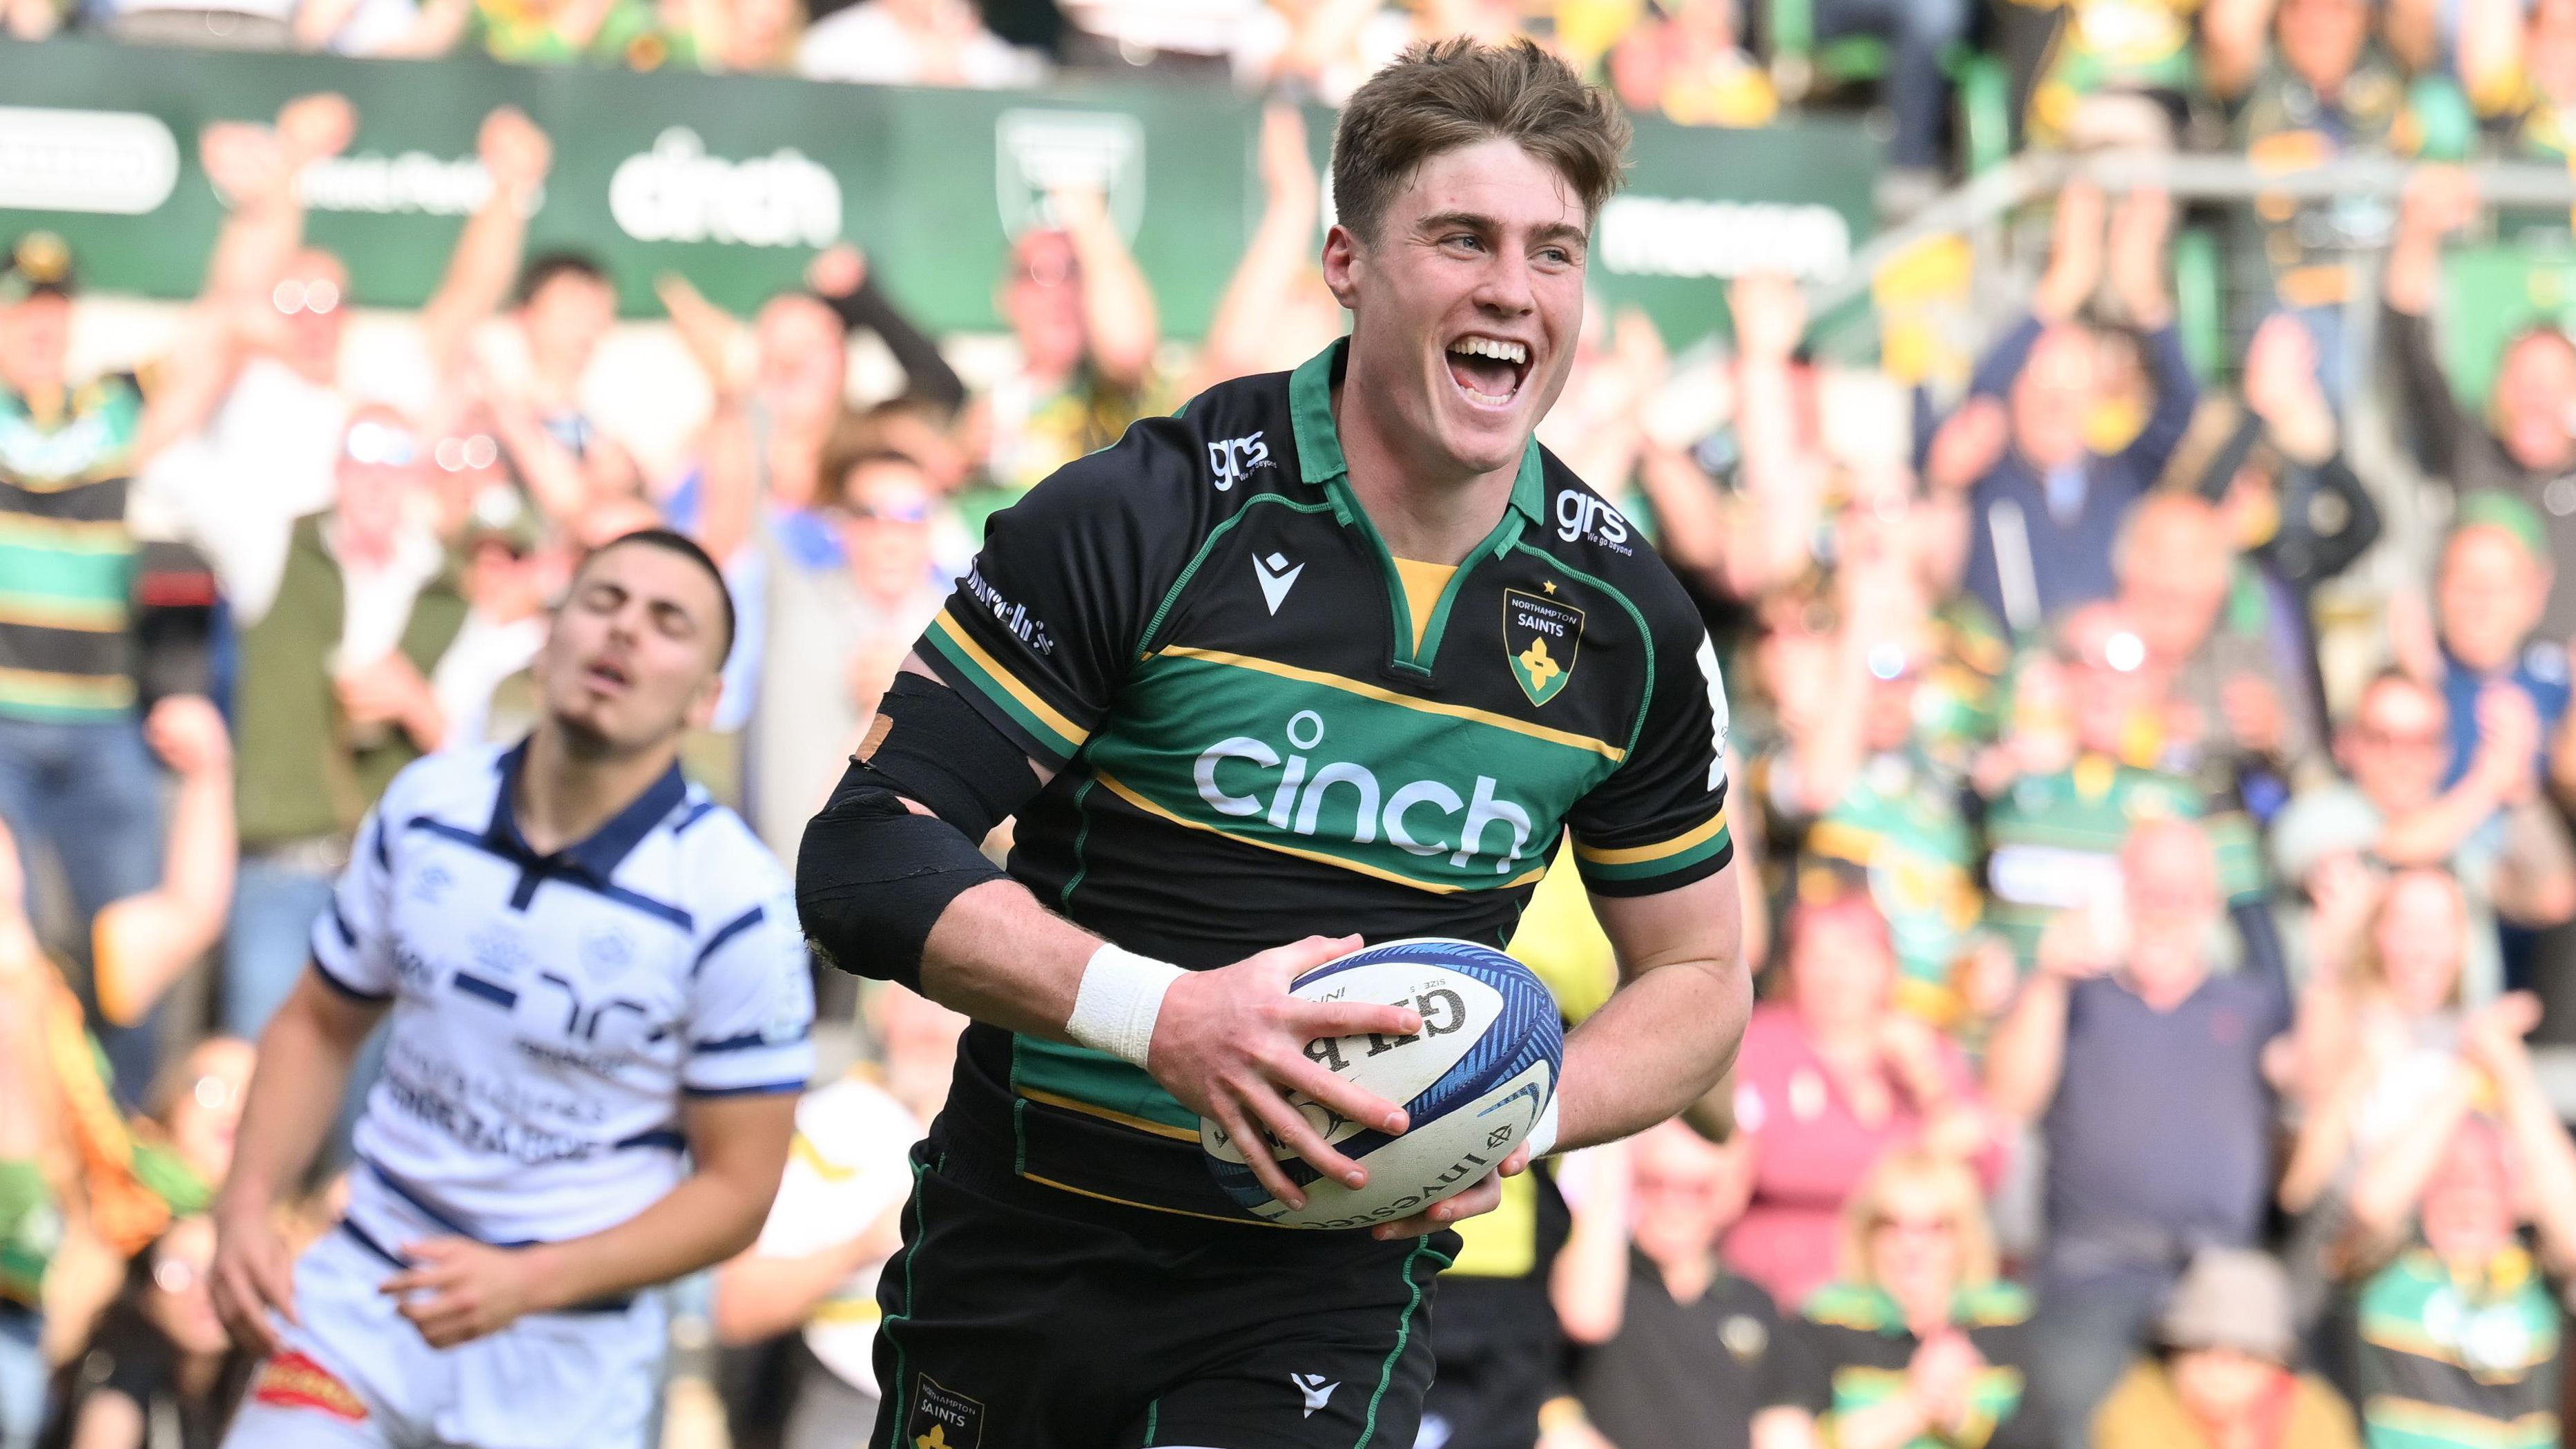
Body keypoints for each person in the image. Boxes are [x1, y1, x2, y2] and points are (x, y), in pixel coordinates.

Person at [793, 39, 1749, 1449]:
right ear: (1345, 262)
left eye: (1553, 251)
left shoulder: (1626, 621)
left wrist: (1513, 1110)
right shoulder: (1145, 513)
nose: (1512, 287)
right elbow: (865, 855)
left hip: (1322, 1297)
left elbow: (1700, 974)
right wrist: (1162, 1017)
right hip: (1026, 1246)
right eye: (1462, 238)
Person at [206, 530, 815, 1449]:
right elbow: (317, 1025)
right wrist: (247, 1200)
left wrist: (530, 1279)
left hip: (568, 1351)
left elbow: (739, 1189)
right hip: (365, 1298)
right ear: (546, 635)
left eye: (668, 622)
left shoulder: (738, 903)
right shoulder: (425, 805)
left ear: (708, 697)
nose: (624, 631)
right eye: (603, 600)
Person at [1985, 818, 2295, 1446]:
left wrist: (2339, 956)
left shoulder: (2251, 1004)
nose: (2164, 911)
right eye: (2150, 890)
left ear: (2210, 903)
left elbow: (2318, 1075)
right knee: (2066, 1421)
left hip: (2215, 1272)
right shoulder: (2076, 996)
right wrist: (2047, 981)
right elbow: (2007, 1099)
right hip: (2090, 1267)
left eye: (2182, 894)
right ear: (2119, 892)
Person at [222, 407, 466, 1044]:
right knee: (262, 1052)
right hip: (282, 863)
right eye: (363, 458)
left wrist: (415, 705)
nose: (378, 478)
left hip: (391, 880)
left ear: (416, 477)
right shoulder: (280, 548)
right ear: (336, 470)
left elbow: (475, 753)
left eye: (396, 459)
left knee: (374, 1075)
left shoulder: (445, 583)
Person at [715, 983, 963, 1449]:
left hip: (980, 1403)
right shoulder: (826, 1125)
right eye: (914, 1003)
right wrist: (863, 1246)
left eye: (951, 1007)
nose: (930, 1027)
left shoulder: (1018, 1134)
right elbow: (737, 1306)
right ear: (881, 1013)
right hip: (849, 1398)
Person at [1725, 890, 2002, 1309]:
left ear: (1888, 966)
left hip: (1902, 1290)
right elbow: (1769, 1161)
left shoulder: (1924, 1048)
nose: (1838, 974)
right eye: (1819, 955)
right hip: (1780, 1288)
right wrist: (1916, 1154)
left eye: (1855, 954)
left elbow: (1987, 1164)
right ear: (1792, 965)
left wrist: (1928, 1082)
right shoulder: (1758, 1045)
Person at [1944, 184, 2197, 637]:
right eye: (2042, 378)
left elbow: (2180, 407)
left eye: (2075, 381)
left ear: (2099, 395)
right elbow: (1981, 396)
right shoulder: (1991, 474)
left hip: (2100, 671)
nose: (2057, 400)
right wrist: (2064, 284)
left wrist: (2144, 297)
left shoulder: (2122, 478)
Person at [2333, 1009, 2576, 1449]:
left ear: (2516, 1188)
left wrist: (2512, 1073)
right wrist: (2465, 1075)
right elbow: (2371, 1204)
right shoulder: (2389, 1263)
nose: (2467, 1188)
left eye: (2487, 1173)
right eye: (2449, 1170)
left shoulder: (2540, 1268)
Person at [2270, 671, 2575, 1001]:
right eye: (2382, 738)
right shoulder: (2314, 817)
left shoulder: (2463, 829)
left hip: (2464, 1034)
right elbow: (2403, 847)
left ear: (2446, 752)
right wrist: (2490, 778)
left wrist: (2520, 788)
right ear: (2347, 744)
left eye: (2422, 741)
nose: (2402, 758)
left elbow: (2552, 897)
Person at [2383, 167, 2576, 642]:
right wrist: (2419, 230)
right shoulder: (2469, 451)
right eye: (2523, 379)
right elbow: (2407, 350)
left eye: (2550, 381)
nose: (2535, 394)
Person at [1751, 1147, 2051, 1449]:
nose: (1912, 1247)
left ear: (1965, 1238)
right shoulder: (1825, 1322)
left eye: (1936, 1227)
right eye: (1892, 1226)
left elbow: (2043, 1438)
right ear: (1867, 1234)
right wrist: (1917, 1403)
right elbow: (1785, 1439)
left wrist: (1962, 1417)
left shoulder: (2009, 1318)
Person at [748, 448, 949, 865]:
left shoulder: (962, 632)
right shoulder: (795, 610)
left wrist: (908, 692)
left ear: (933, 527)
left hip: (927, 876)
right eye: (870, 514)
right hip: (798, 867)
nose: (890, 537)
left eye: (911, 515)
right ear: (841, 524)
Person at [1556, 1123, 1776, 1449]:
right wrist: (1611, 1162)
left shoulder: (1753, 1302)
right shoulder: (1597, 1279)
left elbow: (1783, 1422)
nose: (1673, 1204)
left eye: (1698, 1188)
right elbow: (1587, 1318)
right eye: (1654, 1182)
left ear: (1734, 1191)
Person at [2091, 1249, 2362, 1449]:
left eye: (2245, 1355)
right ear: (2172, 1351)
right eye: (2201, 1348)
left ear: (2275, 1363)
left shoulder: (2313, 1413)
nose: (2218, 1370)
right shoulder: (2137, 1403)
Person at [38, 1218, 250, 1449]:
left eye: (220, 1275)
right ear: (144, 1289)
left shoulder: (237, 1389)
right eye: (177, 1272)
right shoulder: (123, 1389)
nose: (203, 1292)